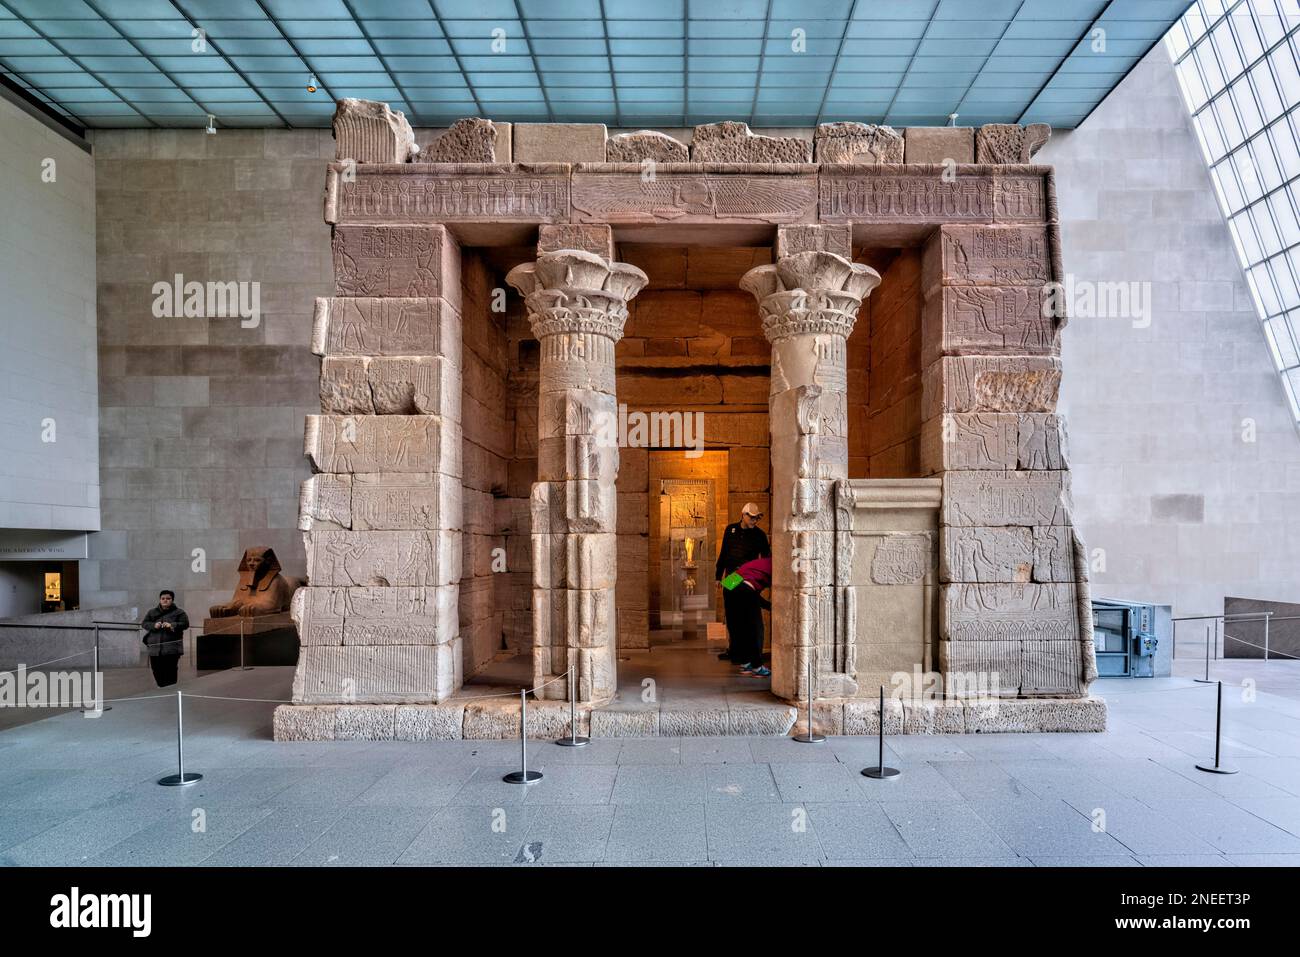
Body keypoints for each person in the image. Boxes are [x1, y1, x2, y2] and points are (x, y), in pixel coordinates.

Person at [715, 502, 770, 663]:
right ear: (743, 515)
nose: (754, 520)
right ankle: (735, 652)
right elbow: (724, 553)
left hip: (748, 577)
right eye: (751, 517)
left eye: (756, 518)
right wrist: (718, 576)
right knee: (733, 616)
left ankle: (754, 654)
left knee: (751, 617)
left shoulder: (760, 535)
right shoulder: (730, 530)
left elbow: (767, 558)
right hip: (732, 577)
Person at [730, 555, 772, 677]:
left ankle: (745, 663)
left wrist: (768, 605)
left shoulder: (759, 563)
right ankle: (757, 667)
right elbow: (749, 590)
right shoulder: (776, 565)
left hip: (730, 582)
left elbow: (751, 592)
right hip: (743, 586)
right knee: (756, 629)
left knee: (740, 626)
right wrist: (771, 606)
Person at [141, 590, 188, 688]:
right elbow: (144, 623)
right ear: (160, 600)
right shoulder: (152, 612)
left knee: (170, 670)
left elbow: (185, 624)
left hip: (172, 648)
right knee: (156, 670)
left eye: (168, 599)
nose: (165, 600)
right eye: (163, 598)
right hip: (155, 648)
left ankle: (171, 690)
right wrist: (154, 625)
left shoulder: (179, 612)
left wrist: (172, 625)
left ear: (172, 600)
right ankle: (162, 688)